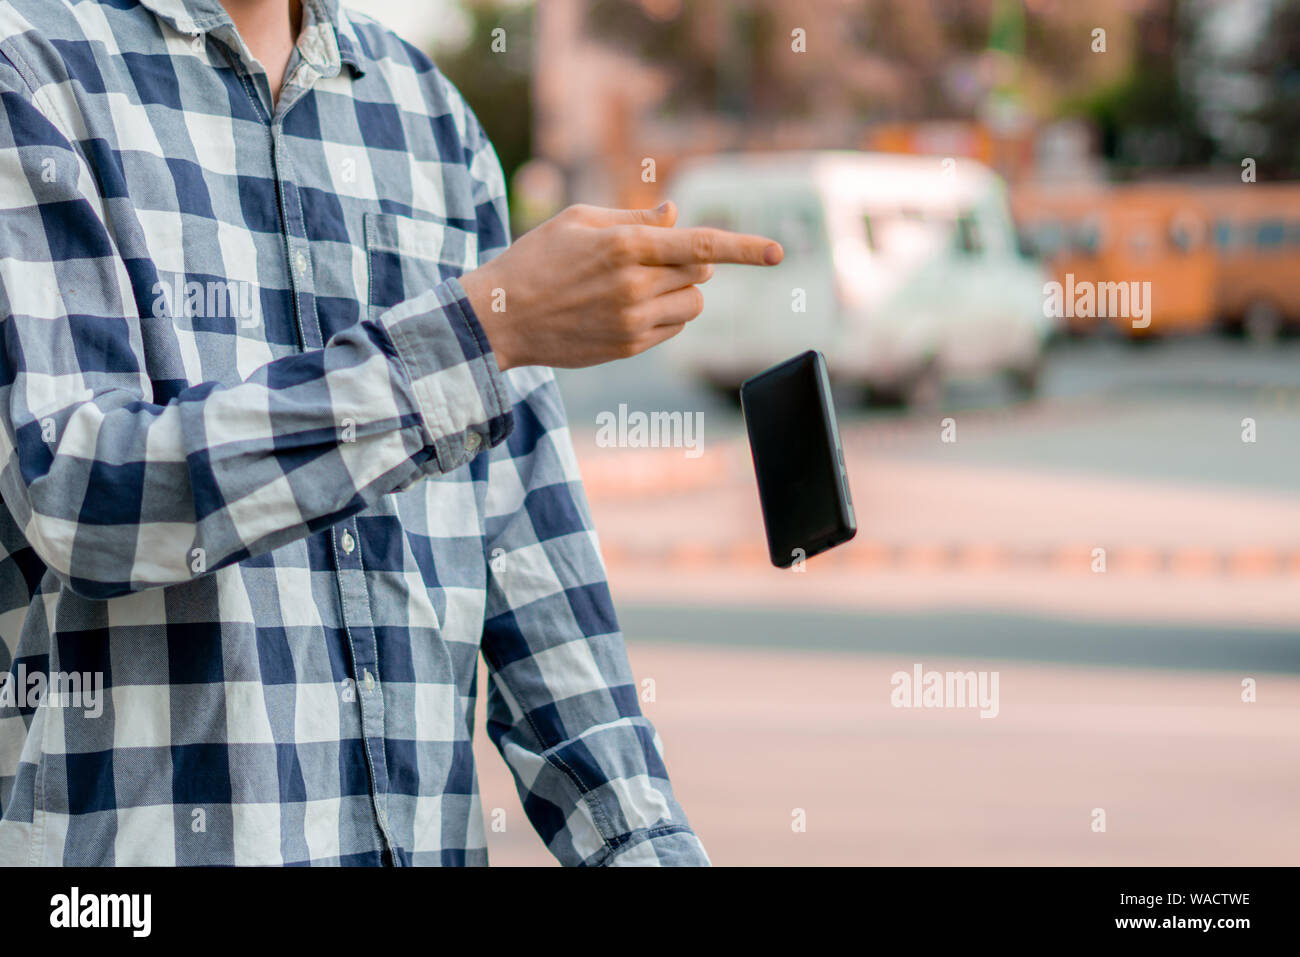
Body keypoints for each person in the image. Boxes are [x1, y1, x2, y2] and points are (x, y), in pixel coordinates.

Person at [0, 0, 782, 866]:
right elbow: (81, 496)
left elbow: (531, 559)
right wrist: (479, 332)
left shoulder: (431, 115)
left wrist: (649, 848)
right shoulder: (31, 68)